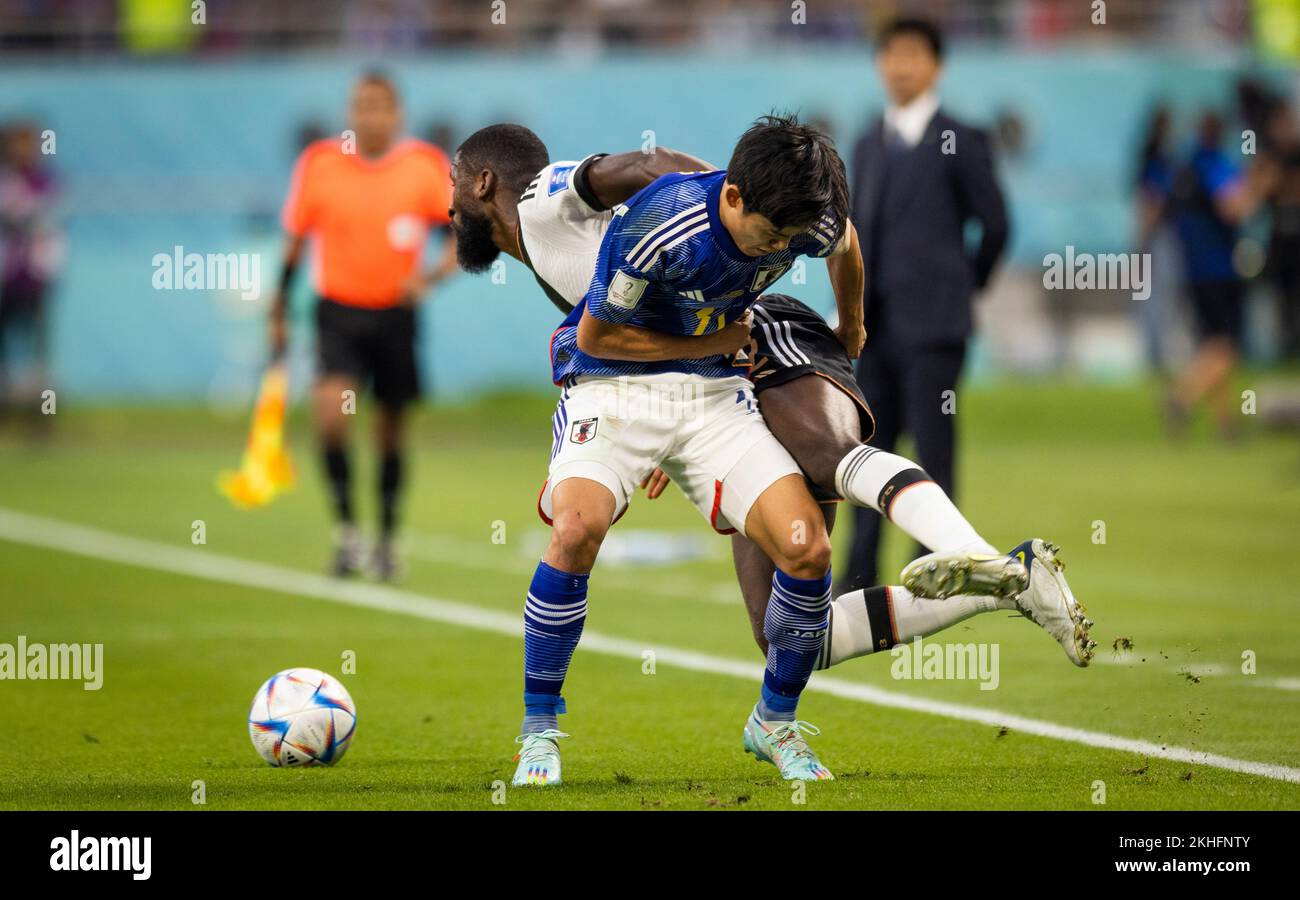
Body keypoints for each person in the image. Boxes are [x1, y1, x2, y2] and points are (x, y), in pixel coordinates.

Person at [450, 119, 1093, 787]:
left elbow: (838, 240)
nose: (782, 246)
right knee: (604, 542)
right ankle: (540, 734)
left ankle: (786, 713)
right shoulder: (635, 224)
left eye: (790, 235)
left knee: (810, 542)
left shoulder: (794, 216)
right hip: (635, 383)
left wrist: (852, 326)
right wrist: (713, 313)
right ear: (733, 196)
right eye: (771, 229)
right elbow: (604, 333)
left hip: (730, 372)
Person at [842, 17, 1009, 594]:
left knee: (934, 453)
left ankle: (933, 577)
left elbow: (995, 225)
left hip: (935, 325)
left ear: (936, 66)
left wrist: (963, 285)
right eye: (891, 54)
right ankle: (857, 578)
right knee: (867, 455)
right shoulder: (867, 142)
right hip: (875, 329)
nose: (901, 65)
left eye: (914, 54)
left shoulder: (961, 137)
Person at [269, 72, 458, 579]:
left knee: (390, 431)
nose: (370, 116)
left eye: (380, 106)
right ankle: (348, 532)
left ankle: (388, 540)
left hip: (396, 316)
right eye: (361, 106)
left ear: (397, 114)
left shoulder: (423, 166)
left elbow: (458, 238)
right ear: (349, 113)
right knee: (331, 418)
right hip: (339, 313)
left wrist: (432, 278)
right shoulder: (321, 163)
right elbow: (294, 240)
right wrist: (278, 310)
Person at [1167, 110, 1271, 438]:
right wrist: (1260, 186)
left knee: (1212, 343)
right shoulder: (1215, 165)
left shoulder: (1185, 165)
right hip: (1220, 268)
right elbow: (1234, 207)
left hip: (1194, 269)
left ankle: (1226, 423)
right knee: (1228, 347)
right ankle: (1182, 396)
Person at [0, 120, 62, 420]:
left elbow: (47, 220)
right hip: (8, 276)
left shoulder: (45, 182)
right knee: (7, 345)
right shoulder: (7, 180)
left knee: (38, 345)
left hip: (35, 277)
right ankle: (8, 407)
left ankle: (41, 413)